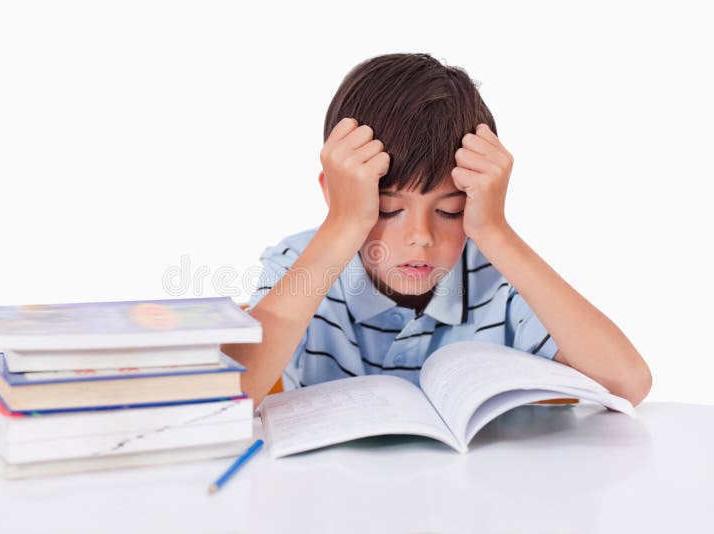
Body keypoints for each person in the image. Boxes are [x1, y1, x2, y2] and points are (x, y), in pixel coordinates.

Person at [220, 52, 652, 409]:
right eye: (387, 209)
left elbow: (627, 383)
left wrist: (496, 232)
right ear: (338, 199)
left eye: (449, 211)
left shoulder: (498, 277)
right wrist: (342, 226)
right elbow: (227, 399)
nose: (420, 236)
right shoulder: (299, 264)